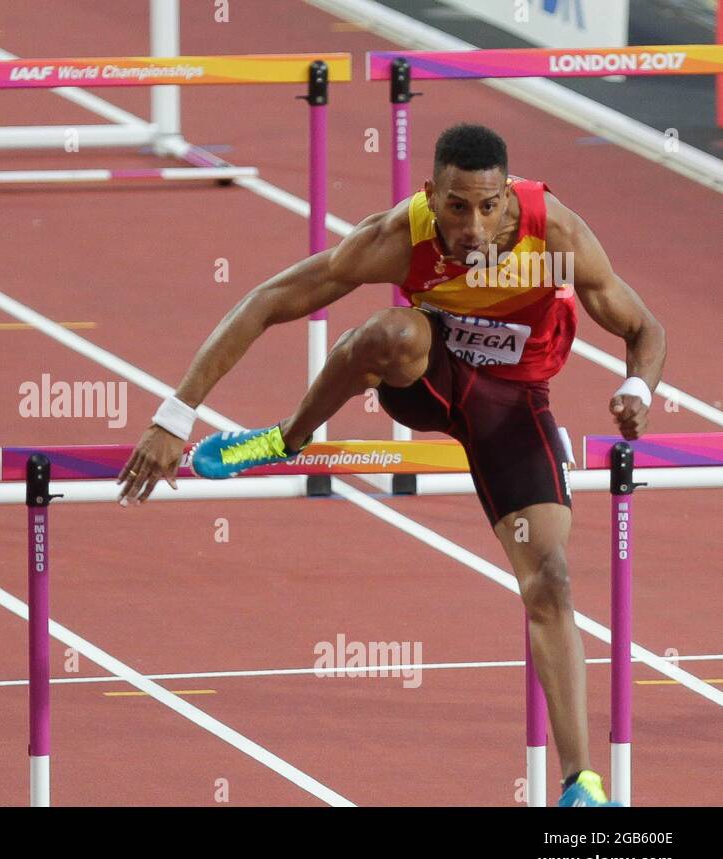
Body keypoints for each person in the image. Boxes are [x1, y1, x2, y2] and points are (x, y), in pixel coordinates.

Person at [117, 123, 665, 807]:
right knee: (384, 332)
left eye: (488, 206)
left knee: (549, 580)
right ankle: (288, 438)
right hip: (429, 381)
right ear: (431, 195)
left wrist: (638, 389)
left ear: (506, 198)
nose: (473, 225)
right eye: (458, 207)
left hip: (515, 409)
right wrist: (174, 416)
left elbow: (644, 328)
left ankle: (580, 784)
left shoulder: (553, 238)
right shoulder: (397, 239)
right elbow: (266, 301)